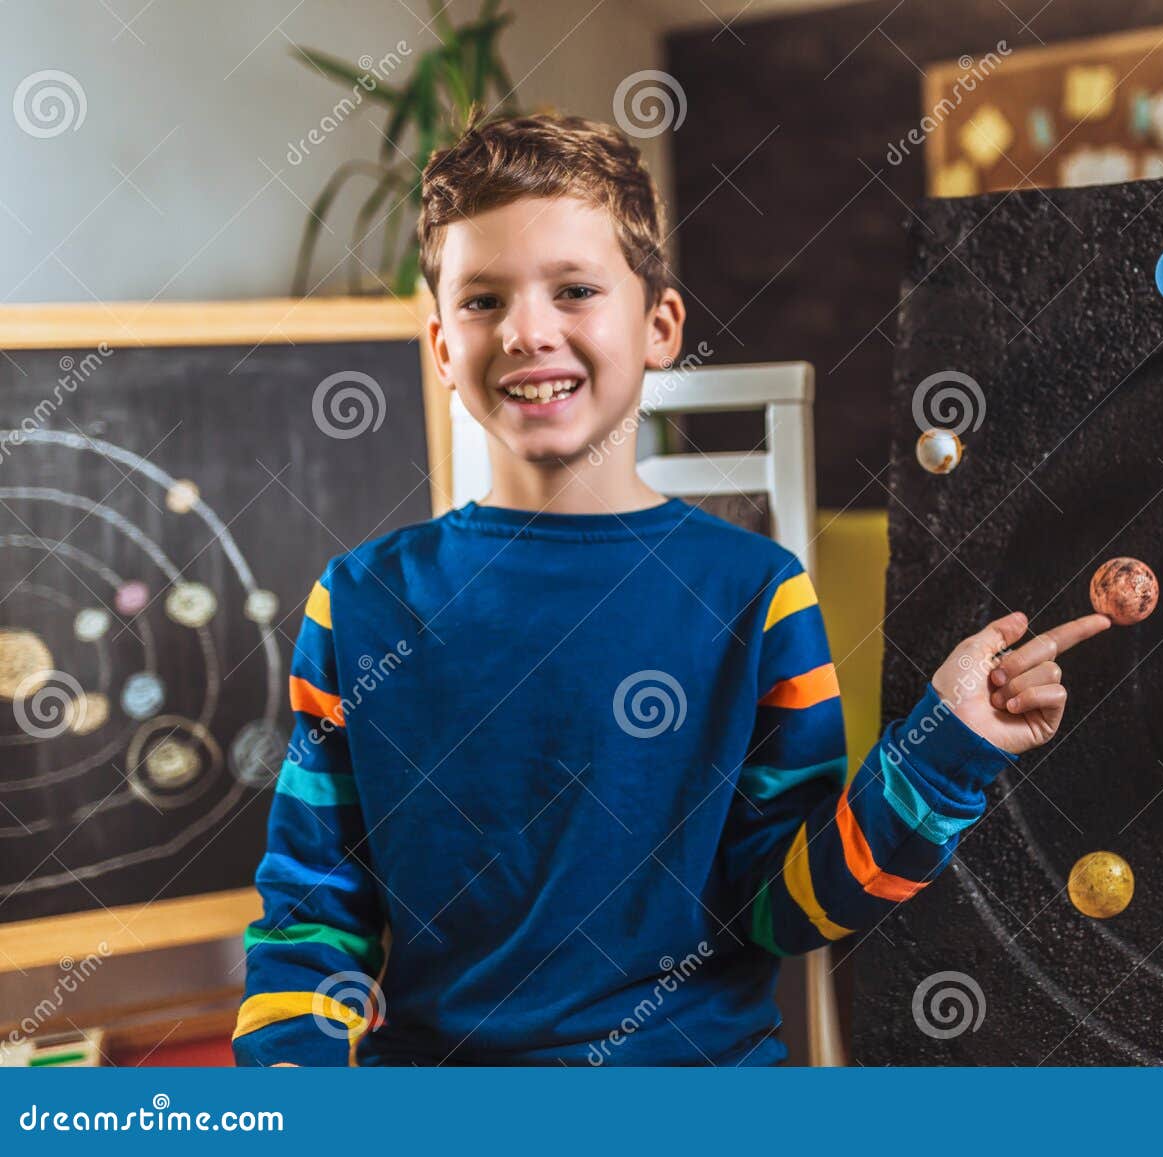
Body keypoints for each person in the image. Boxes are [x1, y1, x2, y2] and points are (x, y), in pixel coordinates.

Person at [232, 111, 1109, 1067]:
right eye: (484, 300)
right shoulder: (360, 602)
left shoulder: (756, 594)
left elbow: (789, 907)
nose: (529, 331)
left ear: (660, 326)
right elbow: (314, 910)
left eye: (574, 289)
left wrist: (945, 749)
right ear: (442, 346)